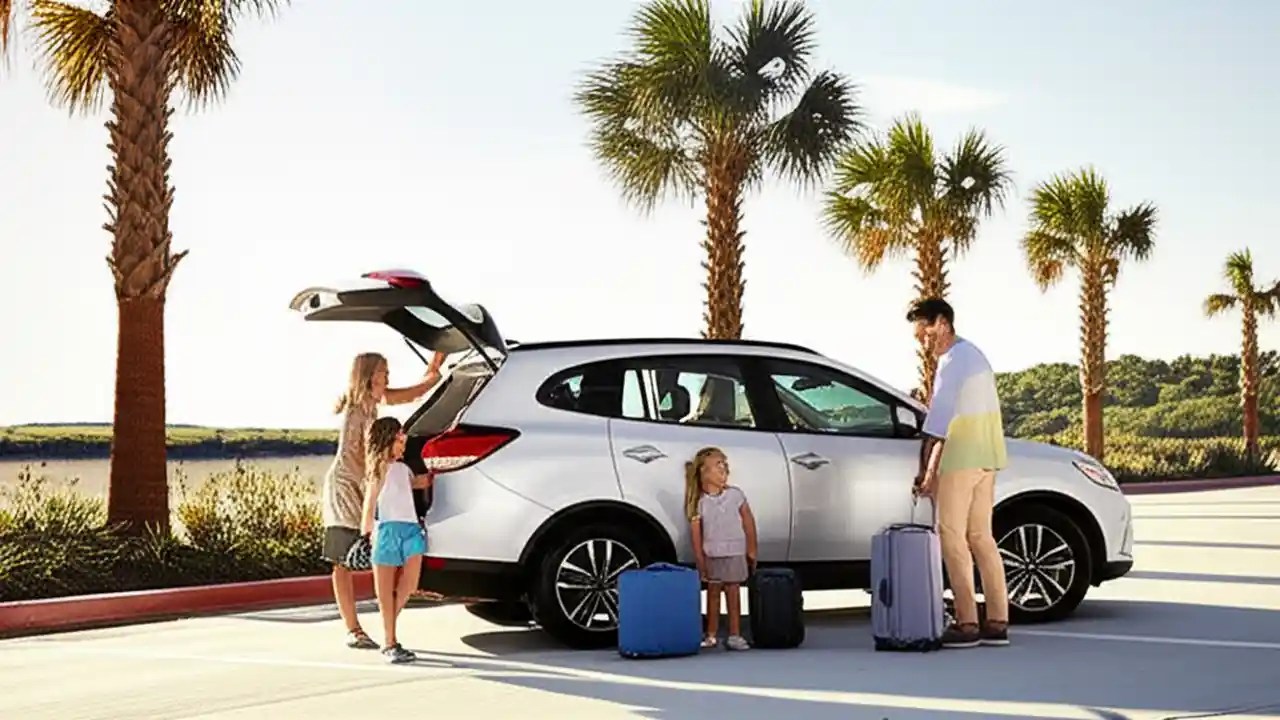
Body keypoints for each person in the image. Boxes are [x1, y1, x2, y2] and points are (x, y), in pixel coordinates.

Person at [321, 351, 444, 650]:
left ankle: (385, 620)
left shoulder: (376, 402)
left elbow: (414, 393)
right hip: (344, 487)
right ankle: (353, 629)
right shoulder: (357, 409)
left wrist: (435, 366)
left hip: (367, 484)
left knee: (367, 553)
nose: (388, 376)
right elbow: (369, 451)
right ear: (368, 375)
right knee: (342, 559)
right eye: (383, 371)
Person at [907, 297, 1010, 649]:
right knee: (981, 536)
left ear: (943, 323)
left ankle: (967, 623)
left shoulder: (952, 361)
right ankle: (997, 621)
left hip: (961, 457)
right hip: (987, 456)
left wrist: (928, 470)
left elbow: (940, 420)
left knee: (951, 536)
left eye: (924, 329)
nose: (922, 338)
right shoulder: (975, 355)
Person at [362, 416, 434, 663]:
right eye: (400, 440)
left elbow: (419, 482)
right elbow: (370, 501)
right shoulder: (379, 467)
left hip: (411, 529)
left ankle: (388, 625)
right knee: (384, 593)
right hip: (387, 531)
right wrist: (366, 533)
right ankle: (390, 642)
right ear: (387, 439)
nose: (404, 445)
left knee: (410, 584)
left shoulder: (403, 468)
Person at [685, 446, 757, 651]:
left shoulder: (736, 495)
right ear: (704, 472)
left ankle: (735, 634)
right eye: (718, 466)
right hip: (712, 553)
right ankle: (711, 634)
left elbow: (748, 522)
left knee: (733, 592)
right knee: (713, 593)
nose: (724, 470)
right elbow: (696, 535)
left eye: (725, 466)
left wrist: (752, 549)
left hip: (735, 552)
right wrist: (700, 560)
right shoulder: (699, 502)